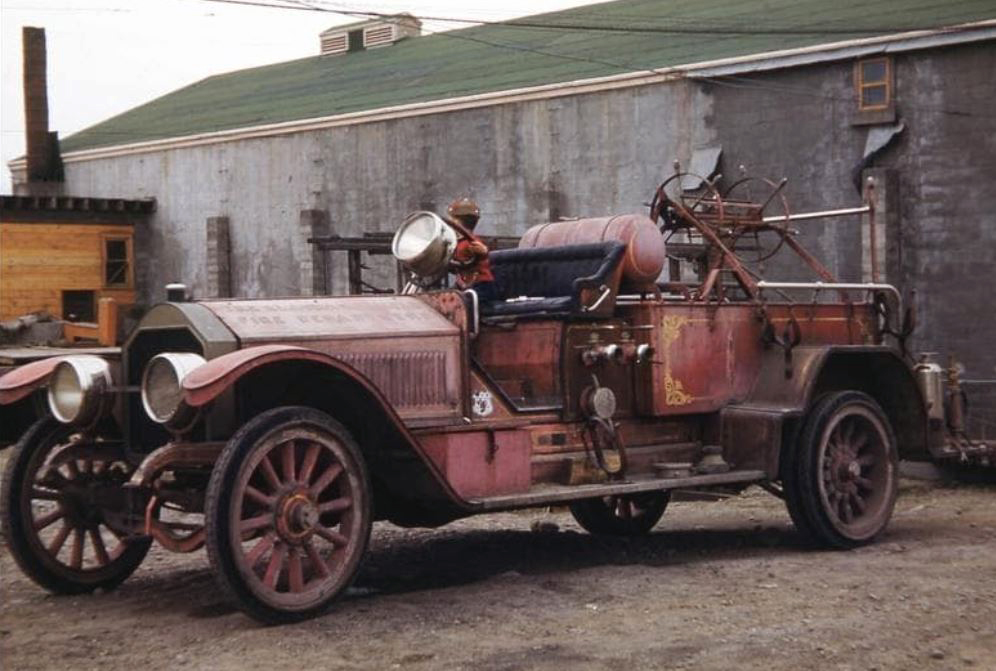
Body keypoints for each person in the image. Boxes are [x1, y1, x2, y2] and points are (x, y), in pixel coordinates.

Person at [446, 197, 498, 302]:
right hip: (465, 284)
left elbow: (482, 254)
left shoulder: (470, 242)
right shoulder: (457, 241)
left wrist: (484, 252)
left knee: (457, 303)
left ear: (457, 221)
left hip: (480, 287)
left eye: (452, 219)